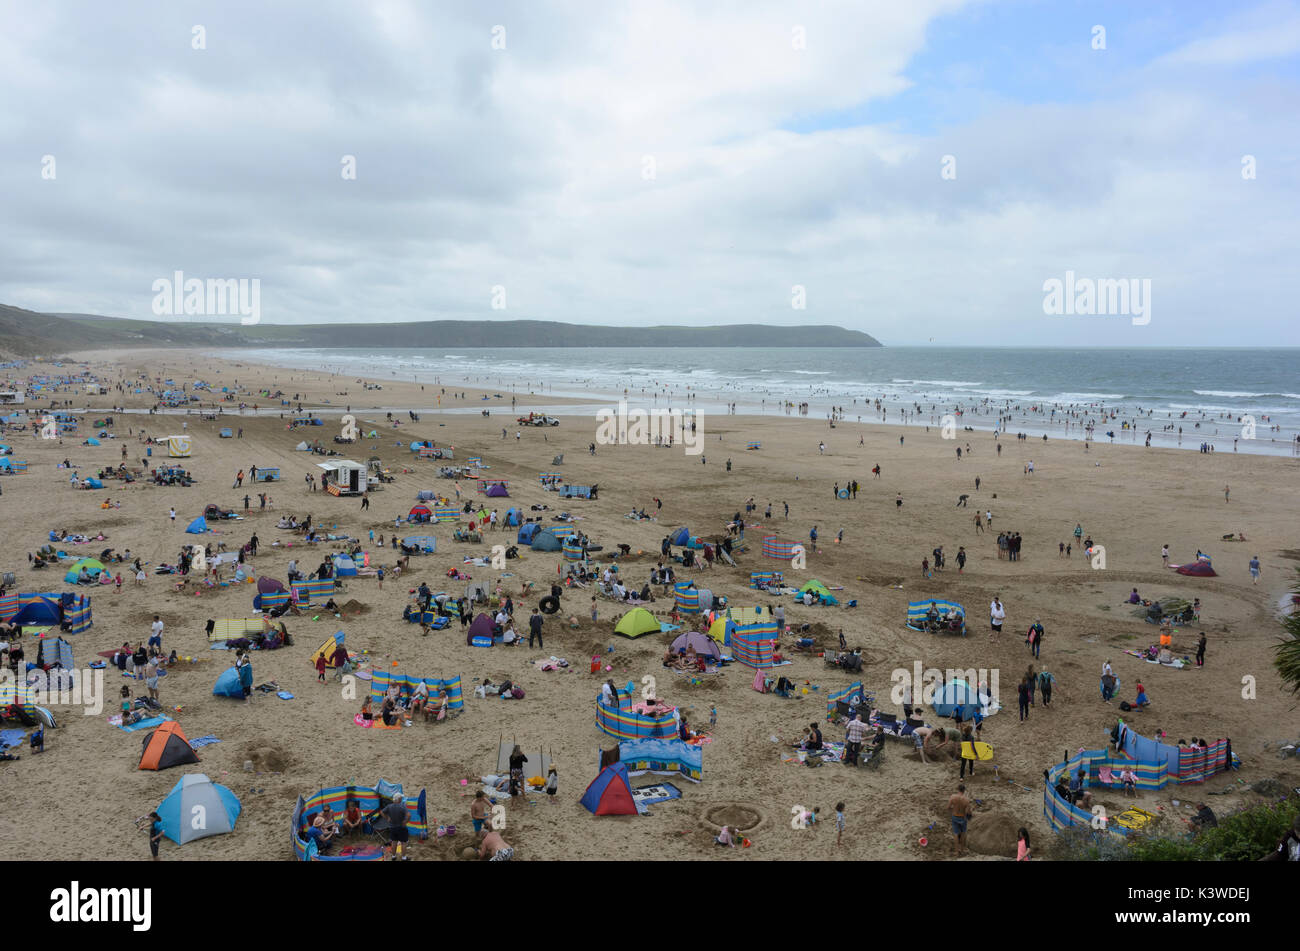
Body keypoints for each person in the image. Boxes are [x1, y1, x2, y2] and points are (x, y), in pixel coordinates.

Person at [383, 795, 409, 860]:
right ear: (399, 799)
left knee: (394, 842)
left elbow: (381, 812)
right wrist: (405, 821)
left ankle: (393, 856)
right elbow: (409, 815)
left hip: (392, 828)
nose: (401, 799)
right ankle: (403, 858)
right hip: (401, 828)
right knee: (403, 843)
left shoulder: (389, 806)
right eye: (401, 798)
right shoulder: (402, 806)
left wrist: (387, 818)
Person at [949, 785, 971, 856]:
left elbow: (948, 807)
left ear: (958, 789)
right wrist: (970, 815)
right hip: (962, 818)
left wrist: (953, 808)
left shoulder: (953, 797)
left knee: (956, 833)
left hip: (955, 816)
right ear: (964, 791)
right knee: (963, 833)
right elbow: (968, 812)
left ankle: (956, 851)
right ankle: (962, 850)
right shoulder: (966, 800)